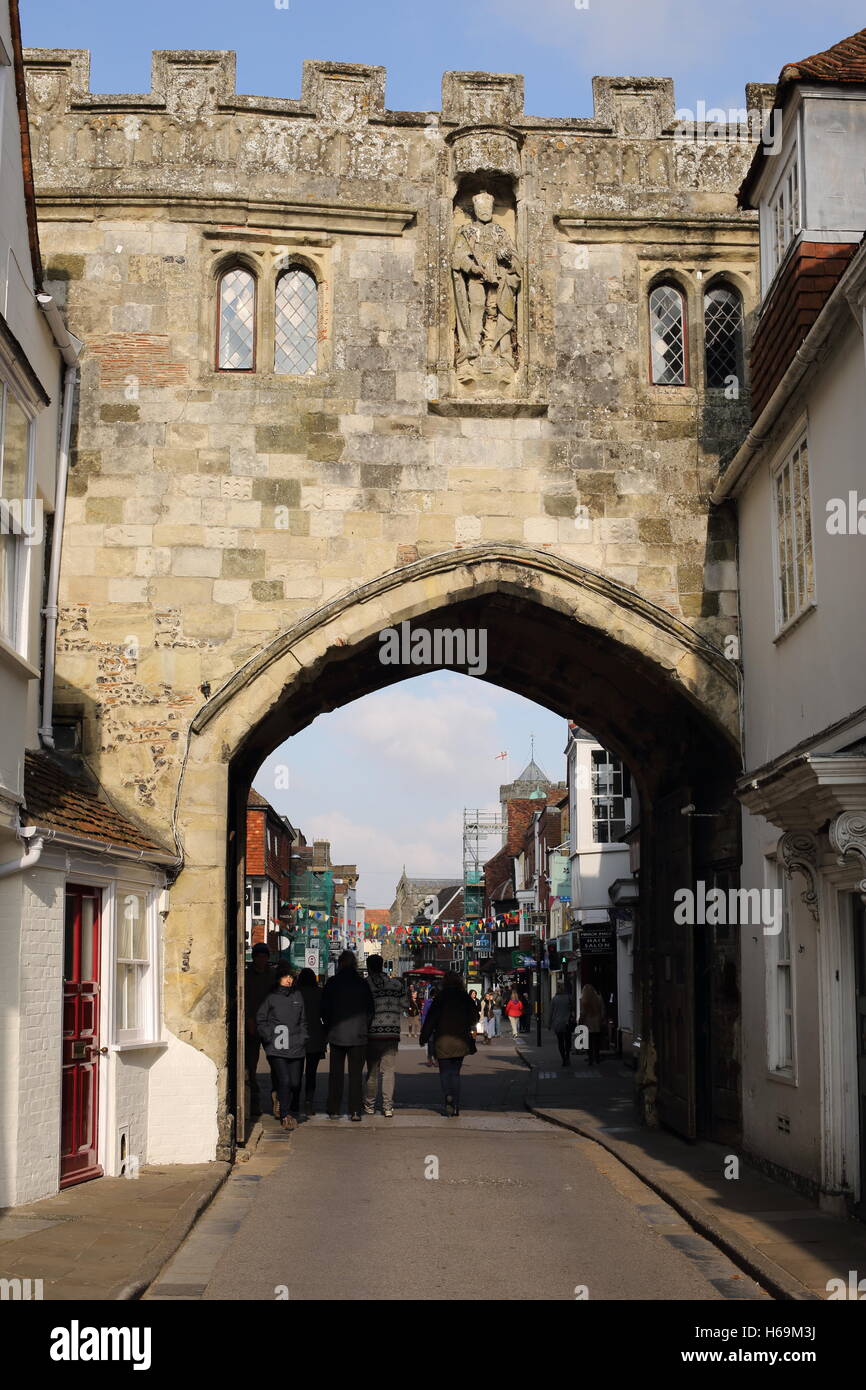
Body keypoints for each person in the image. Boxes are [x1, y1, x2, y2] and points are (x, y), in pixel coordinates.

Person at [320, 950, 375, 1119]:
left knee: (336, 1074)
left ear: (340, 963)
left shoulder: (332, 982)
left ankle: (334, 1108)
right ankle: (355, 1110)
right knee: (356, 1076)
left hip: (337, 1034)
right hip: (358, 1034)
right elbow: (370, 1010)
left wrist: (329, 1026)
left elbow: (324, 1009)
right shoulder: (362, 984)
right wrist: (364, 1026)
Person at [256, 960, 308, 1130]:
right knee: (284, 1080)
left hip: (296, 1046)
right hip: (277, 1046)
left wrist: (303, 1037)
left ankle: (281, 1098)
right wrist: (268, 1037)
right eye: (286, 977)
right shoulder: (271, 998)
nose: (289, 980)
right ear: (279, 978)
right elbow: (261, 1019)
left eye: (291, 977)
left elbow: (303, 1021)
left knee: (295, 1083)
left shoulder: (297, 996)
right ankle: (285, 1115)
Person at [419, 971, 480, 1117]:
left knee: (445, 1072)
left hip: (443, 1040)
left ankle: (448, 1098)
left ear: (444, 982)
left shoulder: (440, 997)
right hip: (461, 1040)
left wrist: (424, 1037)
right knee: (455, 1073)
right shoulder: (464, 996)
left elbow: (431, 1019)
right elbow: (475, 1017)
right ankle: (456, 1105)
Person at [364, 956, 406, 1117]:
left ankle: (370, 1105)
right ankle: (387, 1107)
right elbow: (406, 1004)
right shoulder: (396, 984)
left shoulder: (365, 984)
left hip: (372, 1033)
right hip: (391, 1033)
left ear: (368, 967)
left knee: (372, 1072)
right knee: (388, 1071)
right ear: (382, 966)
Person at [244, 943, 275, 1117]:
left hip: (270, 1024)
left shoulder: (272, 975)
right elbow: (245, 998)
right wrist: (249, 1019)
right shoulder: (247, 976)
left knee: (276, 1062)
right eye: (259, 956)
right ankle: (253, 1102)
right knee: (251, 1065)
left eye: (264, 956)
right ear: (254, 957)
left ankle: (276, 1100)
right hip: (253, 1023)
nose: (262, 959)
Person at [291, 967, 326, 1115]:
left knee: (296, 1072)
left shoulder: (294, 994)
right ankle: (308, 1102)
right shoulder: (320, 993)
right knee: (311, 1072)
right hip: (315, 1035)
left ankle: (294, 1103)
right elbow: (325, 1015)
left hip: (297, 1036)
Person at [547, 983, 575, 1066]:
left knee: (560, 1041)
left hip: (558, 1024)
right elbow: (573, 1009)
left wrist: (549, 1024)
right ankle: (567, 1056)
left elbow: (551, 1013)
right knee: (568, 1041)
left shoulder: (554, 999)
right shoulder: (569, 998)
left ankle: (563, 1058)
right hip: (567, 1023)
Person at [579, 980, 606, 1066]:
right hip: (597, 1023)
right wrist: (601, 1019)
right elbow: (603, 1011)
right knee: (597, 1041)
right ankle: (597, 1058)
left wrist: (581, 1021)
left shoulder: (583, 1000)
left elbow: (582, 1013)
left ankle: (590, 1059)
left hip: (587, 1023)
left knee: (588, 1042)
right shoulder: (599, 998)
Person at [420, 989, 437, 1065]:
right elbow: (424, 1014)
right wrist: (423, 1025)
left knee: (437, 1043)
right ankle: (430, 1058)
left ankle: (436, 1059)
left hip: (438, 1026)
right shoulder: (428, 1002)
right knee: (430, 1043)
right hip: (430, 1025)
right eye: (434, 995)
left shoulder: (440, 1002)